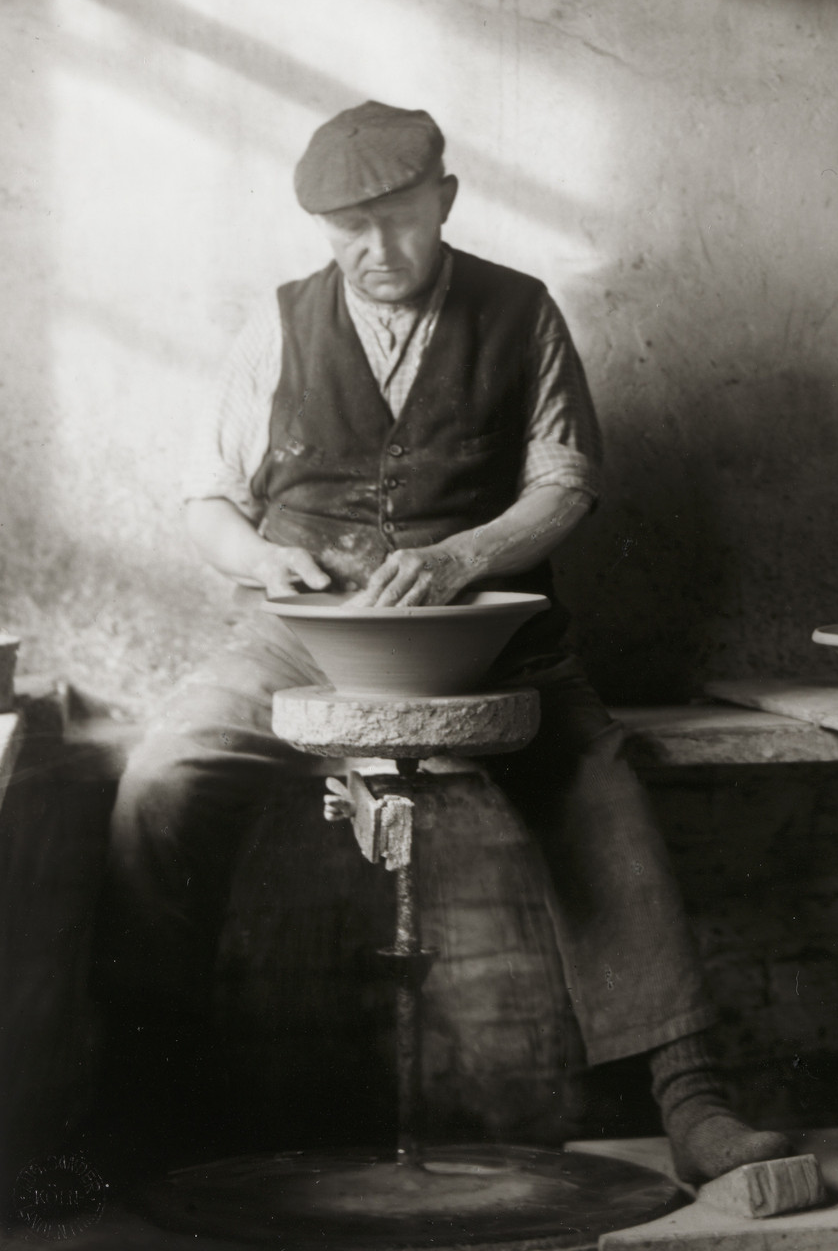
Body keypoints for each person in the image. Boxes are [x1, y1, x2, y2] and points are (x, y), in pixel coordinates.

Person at [98, 101, 788, 1180]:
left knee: (593, 771)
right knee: (162, 773)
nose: (376, 254)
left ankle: (692, 1103)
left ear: (446, 202)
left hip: (493, 633)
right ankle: (146, 1096)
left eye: (399, 223)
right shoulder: (280, 321)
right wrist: (257, 560)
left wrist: (464, 558)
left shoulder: (523, 312)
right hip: (308, 633)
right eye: (347, 232)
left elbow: (567, 482)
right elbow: (208, 498)